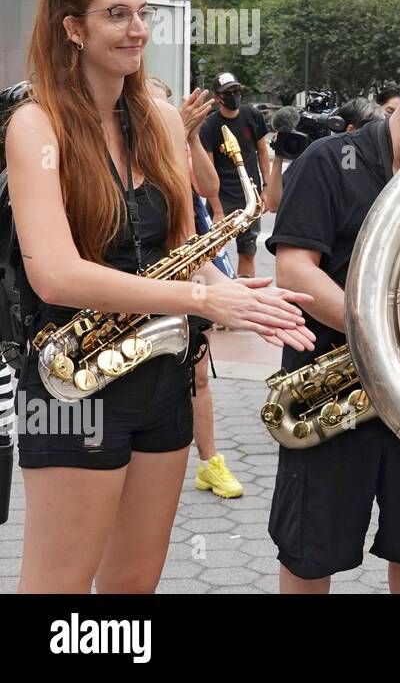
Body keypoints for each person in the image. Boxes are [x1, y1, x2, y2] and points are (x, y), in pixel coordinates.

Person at [9, 0, 312, 593]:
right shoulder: (36, 123)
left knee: (132, 590)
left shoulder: (162, 120)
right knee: (56, 588)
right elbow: (54, 275)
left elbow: (185, 245)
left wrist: (235, 292)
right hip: (71, 381)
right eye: (116, 14)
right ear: (73, 28)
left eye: (142, 13)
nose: (138, 29)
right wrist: (199, 300)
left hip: (162, 377)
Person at [267, 65, 400, 594]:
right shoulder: (326, 161)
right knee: (310, 550)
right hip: (332, 384)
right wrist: (382, 341)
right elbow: (295, 270)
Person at [144, 76, 245, 500]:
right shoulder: (133, 147)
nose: (167, 113)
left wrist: (188, 137)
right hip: (148, 276)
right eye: (158, 108)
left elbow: (208, 188)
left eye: (169, 106)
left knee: (197, 372)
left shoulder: (180, 139)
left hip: (192, 266)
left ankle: (208, 462)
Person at [200, 72, 271, 278]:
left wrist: (265, 188)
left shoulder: (252, 116)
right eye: (228, 92)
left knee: (248, 251)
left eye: (236, 90)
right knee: (212, 253)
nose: (234, 95)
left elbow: (263, 152)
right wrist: (217, 209)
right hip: (222, 197)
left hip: (249, 196)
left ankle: (247, 293)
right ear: (218, 96)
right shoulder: (210, 125)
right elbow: (208, 169)